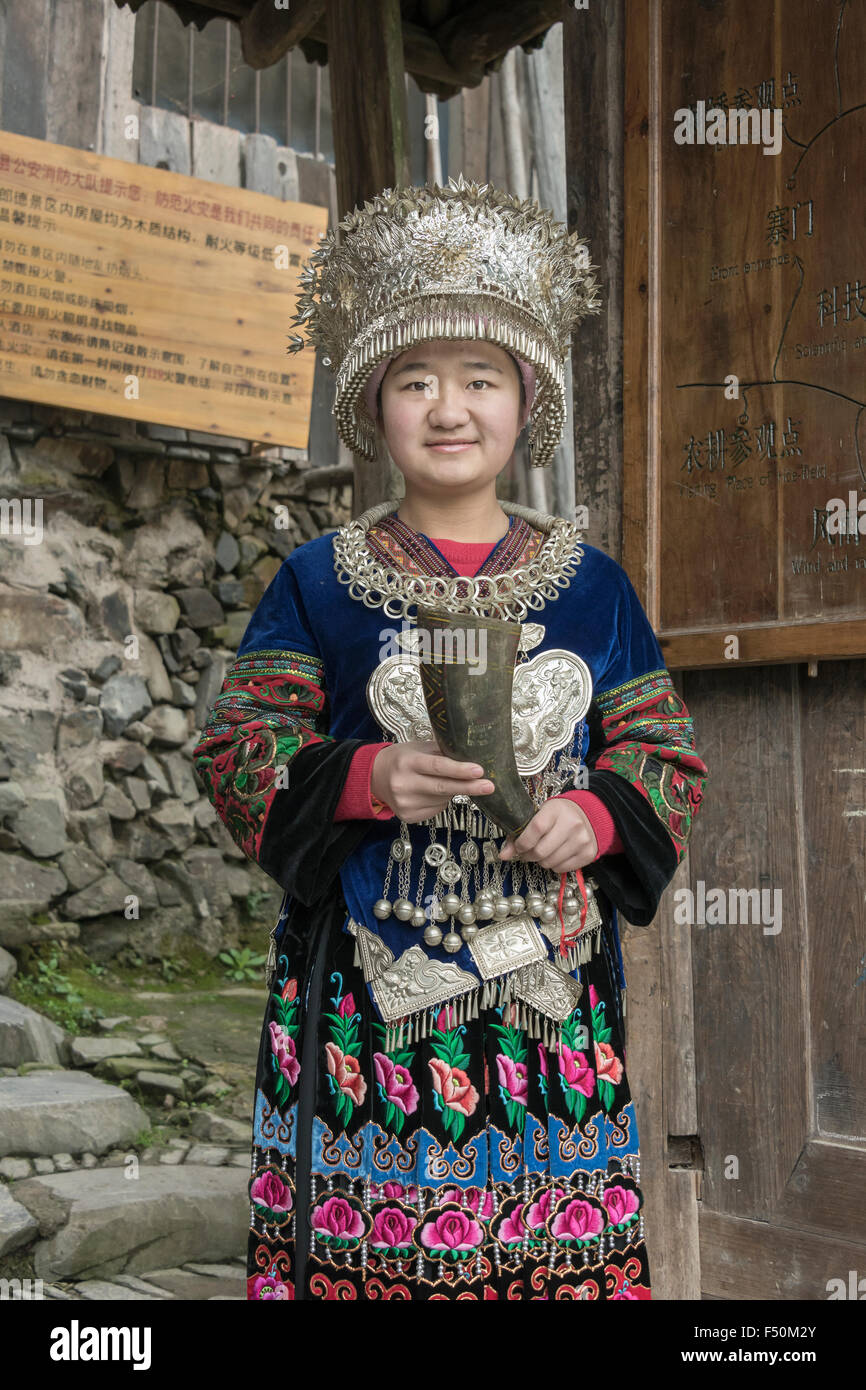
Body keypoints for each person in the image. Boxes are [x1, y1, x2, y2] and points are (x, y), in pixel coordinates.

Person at [192, 177, 709, 1301]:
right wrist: (366, 777)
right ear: (371, 406)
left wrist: (595, 812)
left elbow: (660, 755)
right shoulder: (320, 583)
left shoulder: (591, 590)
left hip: (550, 999)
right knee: (370, 1262)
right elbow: (235, 749)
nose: (447, 409)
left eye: (480, 380)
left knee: (548, 1257)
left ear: (529, 402)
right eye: (414, 381)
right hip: (363, 992)